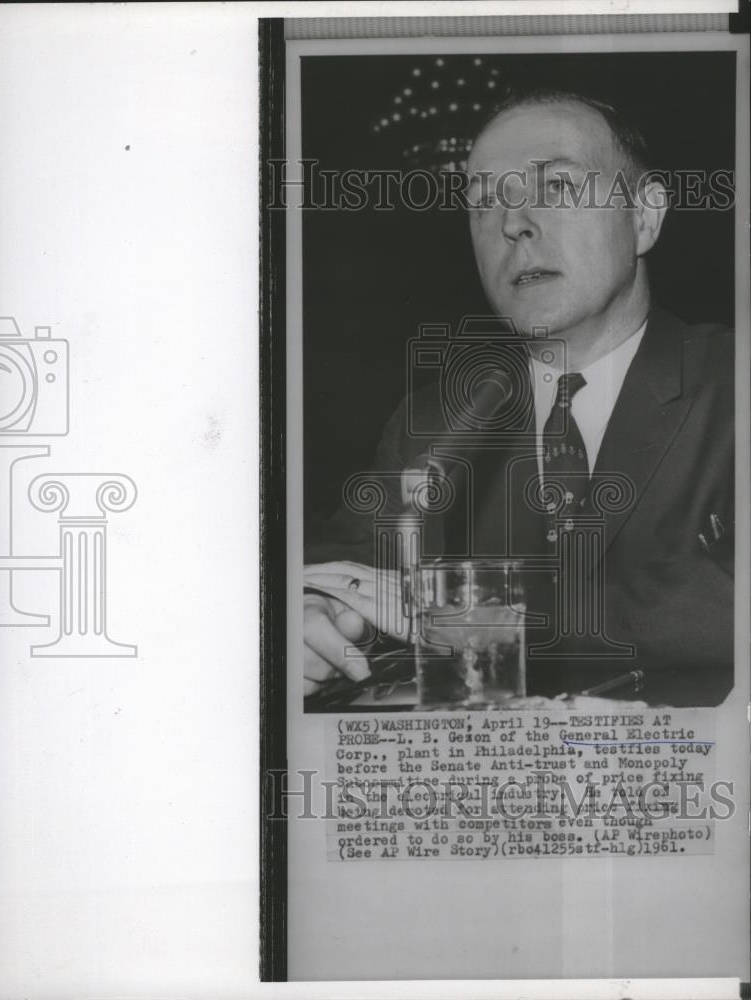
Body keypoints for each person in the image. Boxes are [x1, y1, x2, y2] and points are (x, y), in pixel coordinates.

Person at [303, 88, 734, 707]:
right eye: (483, 204)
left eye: (557, 188)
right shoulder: (432, 421)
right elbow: (351, 562)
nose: (512, 223)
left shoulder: (732, 384)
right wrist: (318, 612)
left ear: (645, 216)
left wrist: (480, 622)